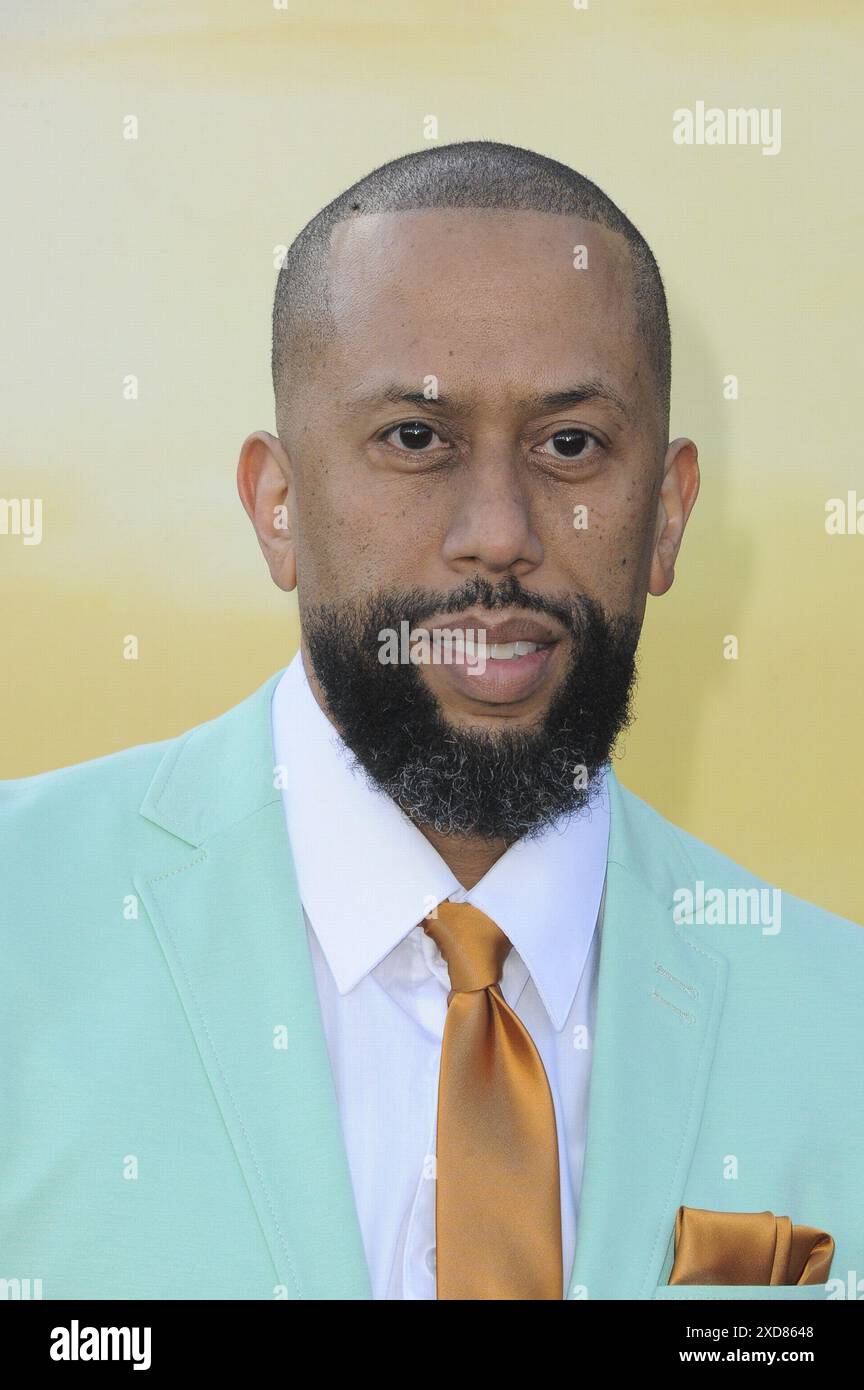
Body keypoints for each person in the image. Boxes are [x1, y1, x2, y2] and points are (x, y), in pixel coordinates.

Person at [2, 141, 862, 1302]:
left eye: (572, 444)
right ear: (277, 504)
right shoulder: (27, 926)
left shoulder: (837, 1027)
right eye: (416, 439)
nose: (498, 531)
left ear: (665, 514)